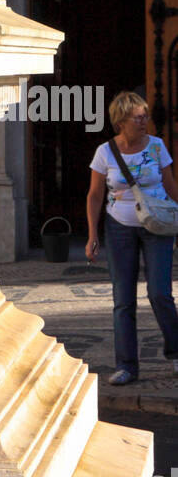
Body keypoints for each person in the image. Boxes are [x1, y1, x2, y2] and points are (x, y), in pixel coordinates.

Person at [86, 91, 178, 385]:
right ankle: (126, 366)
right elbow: (95, 195)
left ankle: (176, 352)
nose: (144, 121)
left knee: (160, 292)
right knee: (123, 300)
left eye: (145, 115)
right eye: (138, 117)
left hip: (157, 225)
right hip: (119, 227)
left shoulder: (157, 146)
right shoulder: (105, 152)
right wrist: (91, 235)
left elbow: (171, 185)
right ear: (120, 121)